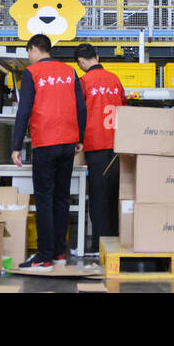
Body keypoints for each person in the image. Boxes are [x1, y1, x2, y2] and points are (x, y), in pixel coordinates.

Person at [11, 33, 86, 271]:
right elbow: (80, 106)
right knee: (61, 199)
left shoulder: (32, 73)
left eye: (28, 53)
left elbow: (24, 111)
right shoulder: (70, 72)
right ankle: (59, 253)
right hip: (67, 143)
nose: (29, 58)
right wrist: (80, 138)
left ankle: (44, 257)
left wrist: (16, 145)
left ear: (34, 48)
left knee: (44, 198)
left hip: (44, 143)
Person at [74, 43, 127, 253]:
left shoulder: (84, 81)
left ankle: (98, 244)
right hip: (117, 145)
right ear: (97, 57)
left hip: (95, 144)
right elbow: (124, 106)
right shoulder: (114, 79)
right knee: (114, 194)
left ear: (81, 62)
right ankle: (114, 241)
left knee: (97, 196)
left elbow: (78, 111)